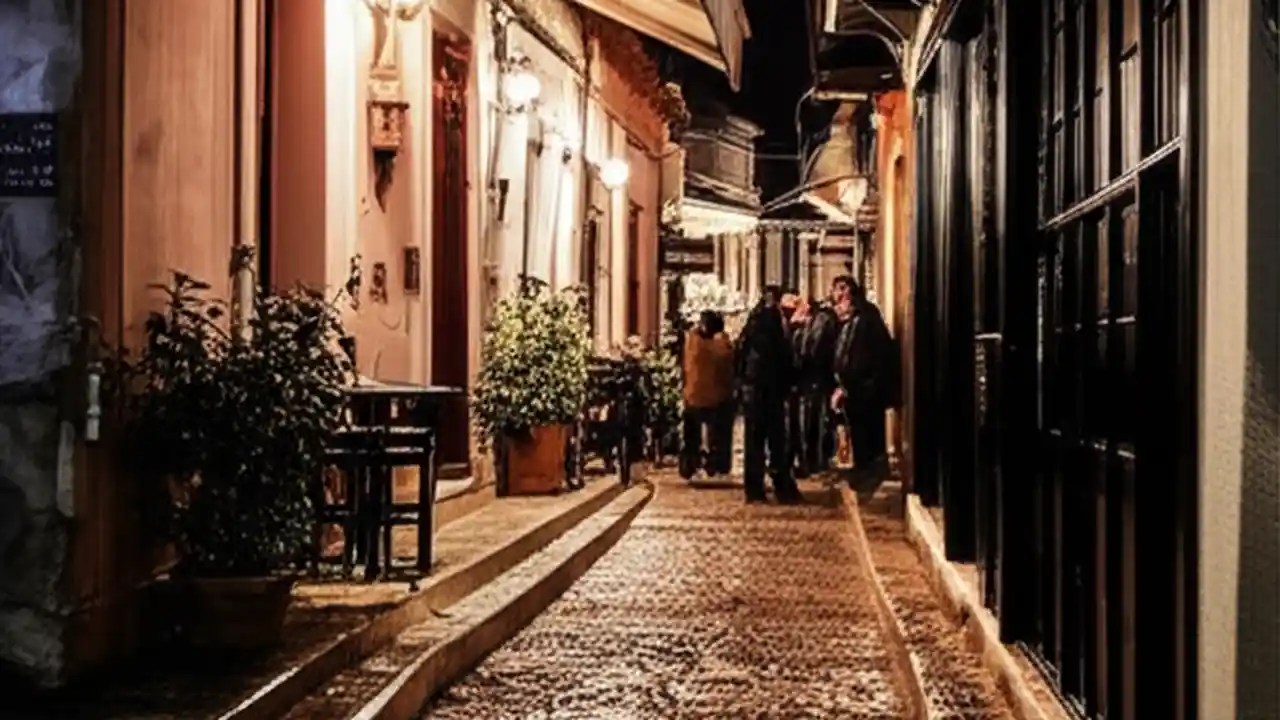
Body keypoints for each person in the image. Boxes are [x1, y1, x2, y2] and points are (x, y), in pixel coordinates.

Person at [737, 286, 803, 504]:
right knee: (775, 440)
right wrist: (790, 380)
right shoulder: (770, 321)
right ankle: (781, 487)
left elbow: (741, 356)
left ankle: (755, 488)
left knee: (756, 441)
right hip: (767, 390)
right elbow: (779, 358)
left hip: (755, 389)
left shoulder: (754, 322)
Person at [831, 277, 894, 486]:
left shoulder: (866, 316)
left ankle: (869, 470)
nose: (839, 296)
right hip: (855, 389)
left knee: (868, 431)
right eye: (836, 291)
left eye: (842, 290)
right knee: (858, 432)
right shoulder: (853, 318)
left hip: (867, 388)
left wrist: (850, 384)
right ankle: (862, 468)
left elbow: (864, 356)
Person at [679, 310, 736, 480]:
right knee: (721, 430)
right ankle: (718, 463)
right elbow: (727, 359)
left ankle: (690, 462)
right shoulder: (718, 347)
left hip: (692, 396)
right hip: (716, 398)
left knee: (691, 433)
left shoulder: (692, 342)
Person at [795, 291, 841, 477]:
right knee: (814, 420)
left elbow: (813, 350)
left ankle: (816, 461)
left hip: (817, 378)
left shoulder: (821, 321)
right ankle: (814, 460)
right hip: (816, 378)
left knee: (816, 420)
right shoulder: (817, 321)